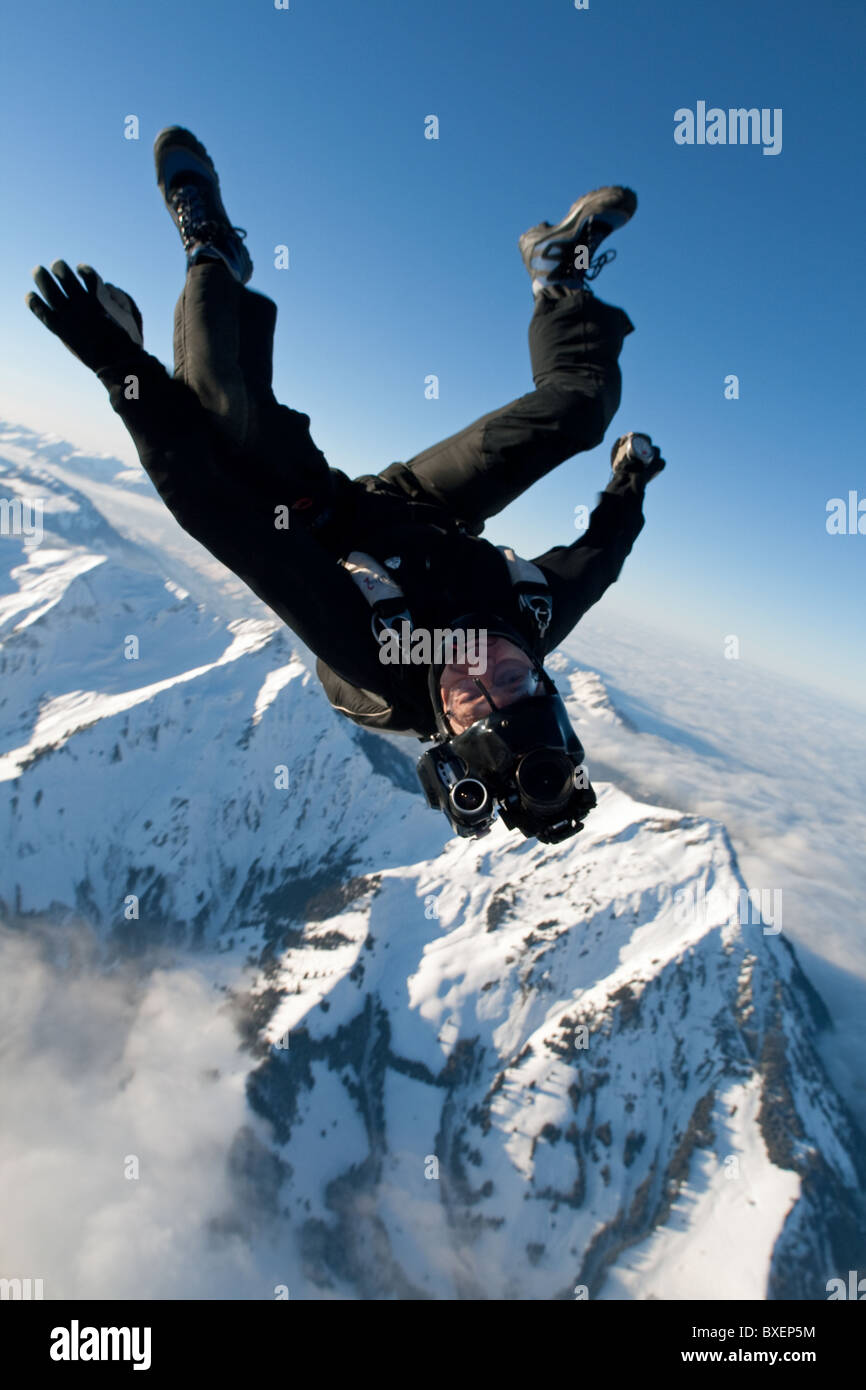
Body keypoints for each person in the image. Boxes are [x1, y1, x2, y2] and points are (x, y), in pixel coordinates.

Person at [25, 127, 666, 844]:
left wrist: (118, 365)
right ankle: (559, 277)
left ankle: (212, 251)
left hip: (313, 520)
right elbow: (601, 558)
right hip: (425, 510)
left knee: (223, 410)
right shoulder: (534, 615)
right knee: (579, 409)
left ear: (447, 725)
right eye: (514, 684)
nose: (484, 669)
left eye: (470, 700)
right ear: (543, 682)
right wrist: (628, 483)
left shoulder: (376, 661)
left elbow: (217, 514)